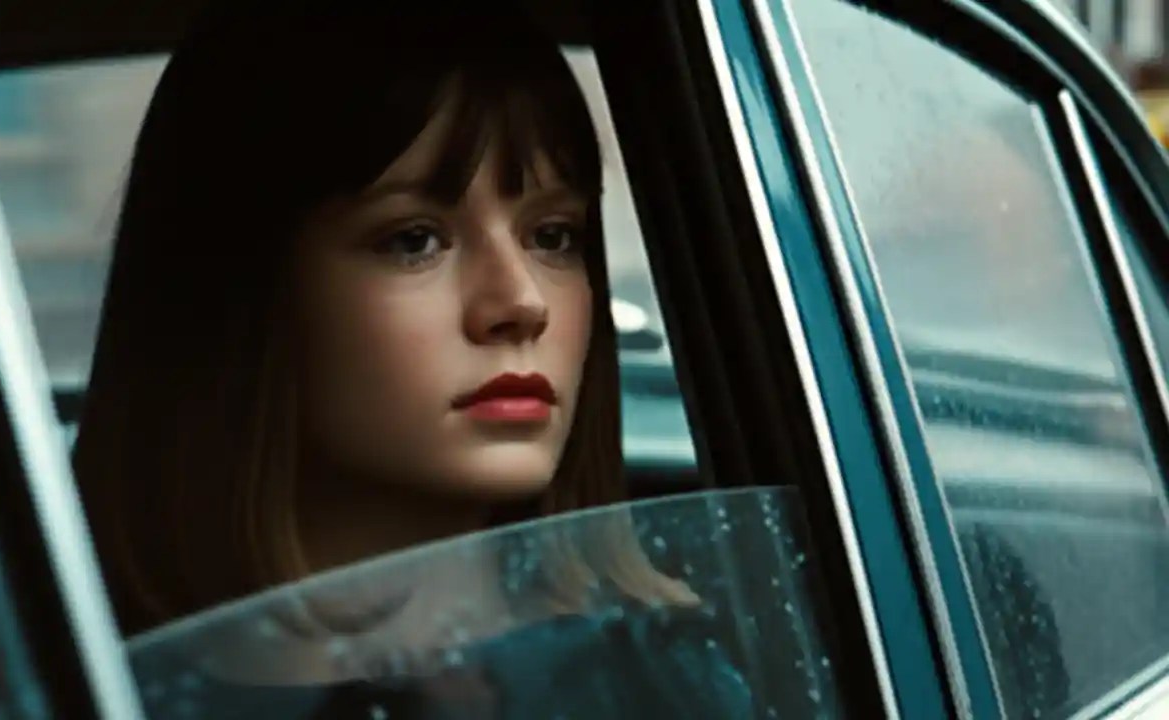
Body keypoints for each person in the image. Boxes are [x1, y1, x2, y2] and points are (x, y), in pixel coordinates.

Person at [70, 1, 756, 718]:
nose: (521, 302)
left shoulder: (657, 686)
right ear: (238, 294)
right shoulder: (47, 675)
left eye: (553, 235)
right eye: (413, 240)